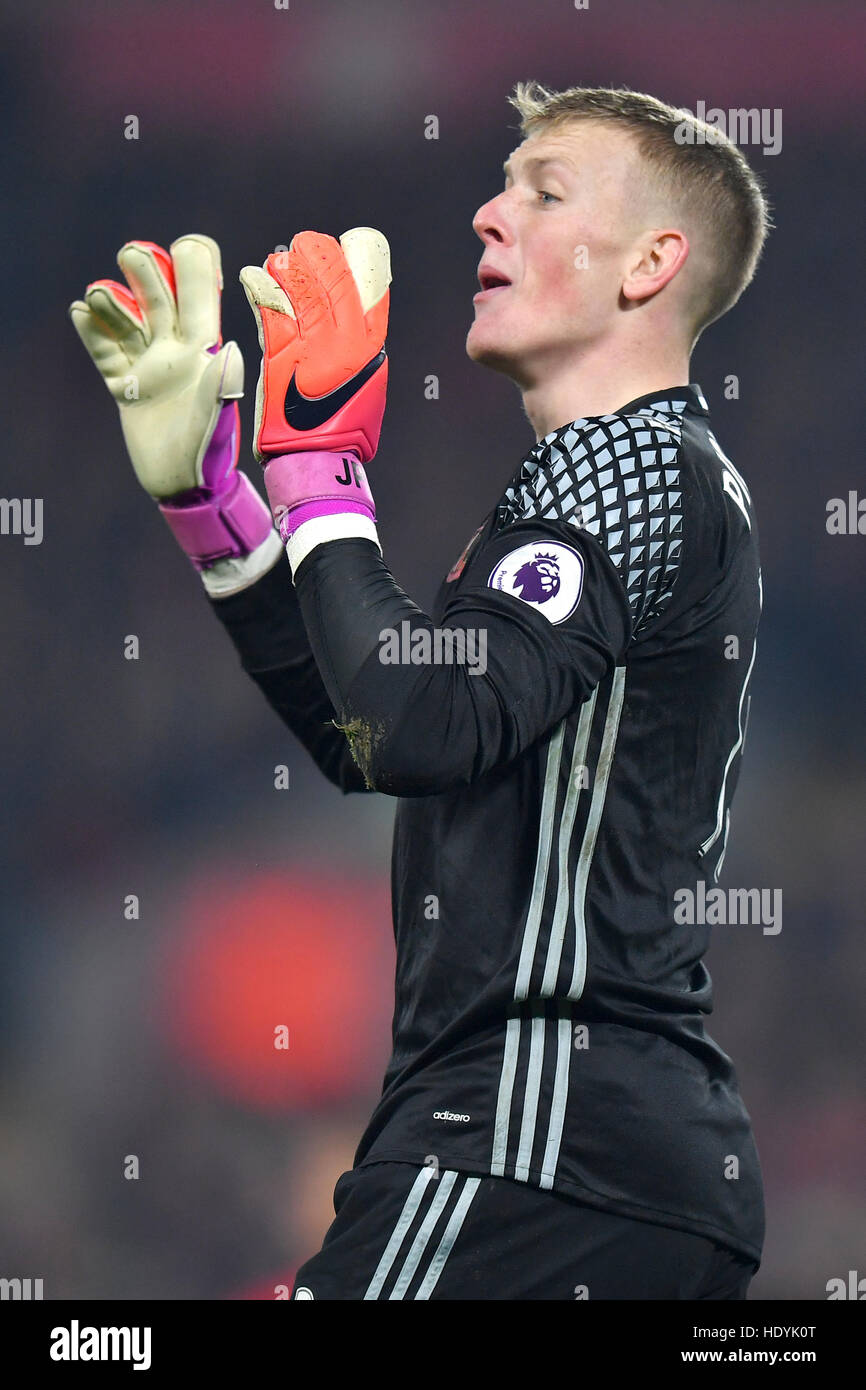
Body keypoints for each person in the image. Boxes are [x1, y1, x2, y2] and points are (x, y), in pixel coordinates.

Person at [70, 81, 770, 1300]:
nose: (488, 217)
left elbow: (410, 721)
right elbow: (373, 736)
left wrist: (315, 459)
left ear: (653, 263)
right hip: (621, 1179)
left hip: (528, 1146)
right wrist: (223, 510)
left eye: (542, 191)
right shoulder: (626, 483)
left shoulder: (630, 462)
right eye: (500, 185)